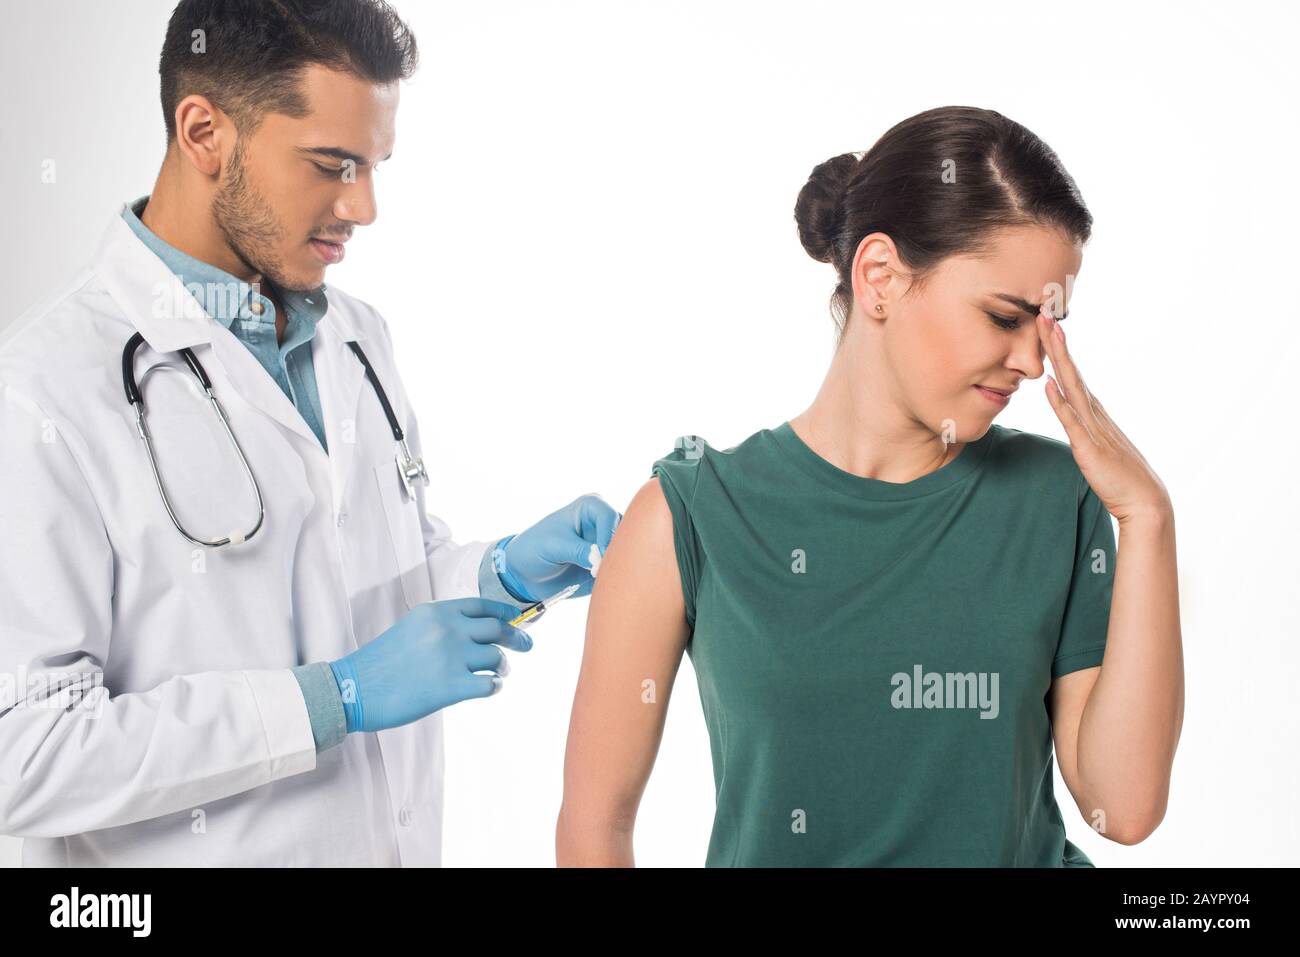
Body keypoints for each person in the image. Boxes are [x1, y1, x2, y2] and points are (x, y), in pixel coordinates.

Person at [0, 0, 618, 866]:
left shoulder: (355, 337)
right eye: (333, 165)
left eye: (373, 165)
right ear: (205, 131)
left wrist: (495, 570)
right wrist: (333, 699)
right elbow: (24, 754)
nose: (362, 206)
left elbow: (345, 594)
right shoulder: (43, 390)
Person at [556, 106, 1183, 867]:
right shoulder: (690, 515)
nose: (1032, 360)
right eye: (1005, 316)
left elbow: (1123, 808)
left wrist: (1147, 516)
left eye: (1049, 326)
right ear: (880, 277)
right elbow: (596, 825)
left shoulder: (1061, 496)